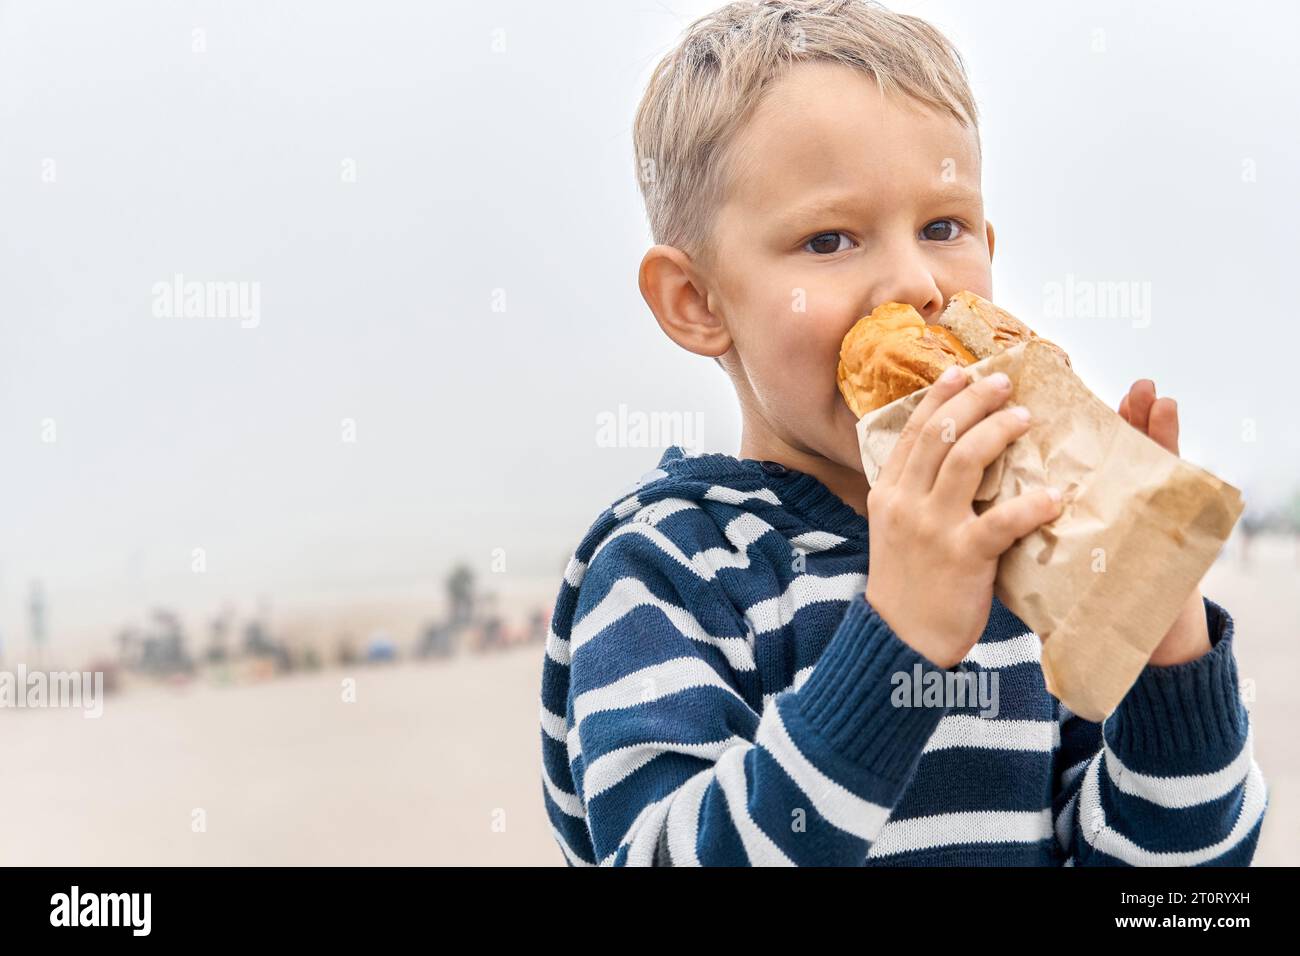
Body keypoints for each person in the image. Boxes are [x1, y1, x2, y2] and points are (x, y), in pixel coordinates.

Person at [538, 0, 1265, 866]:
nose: (915, 283)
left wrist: (1164, 646)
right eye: (830, 238)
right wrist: (899, 643)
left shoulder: (1023, 546)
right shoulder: (671, 570)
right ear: (698, 302)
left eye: (943, 228)